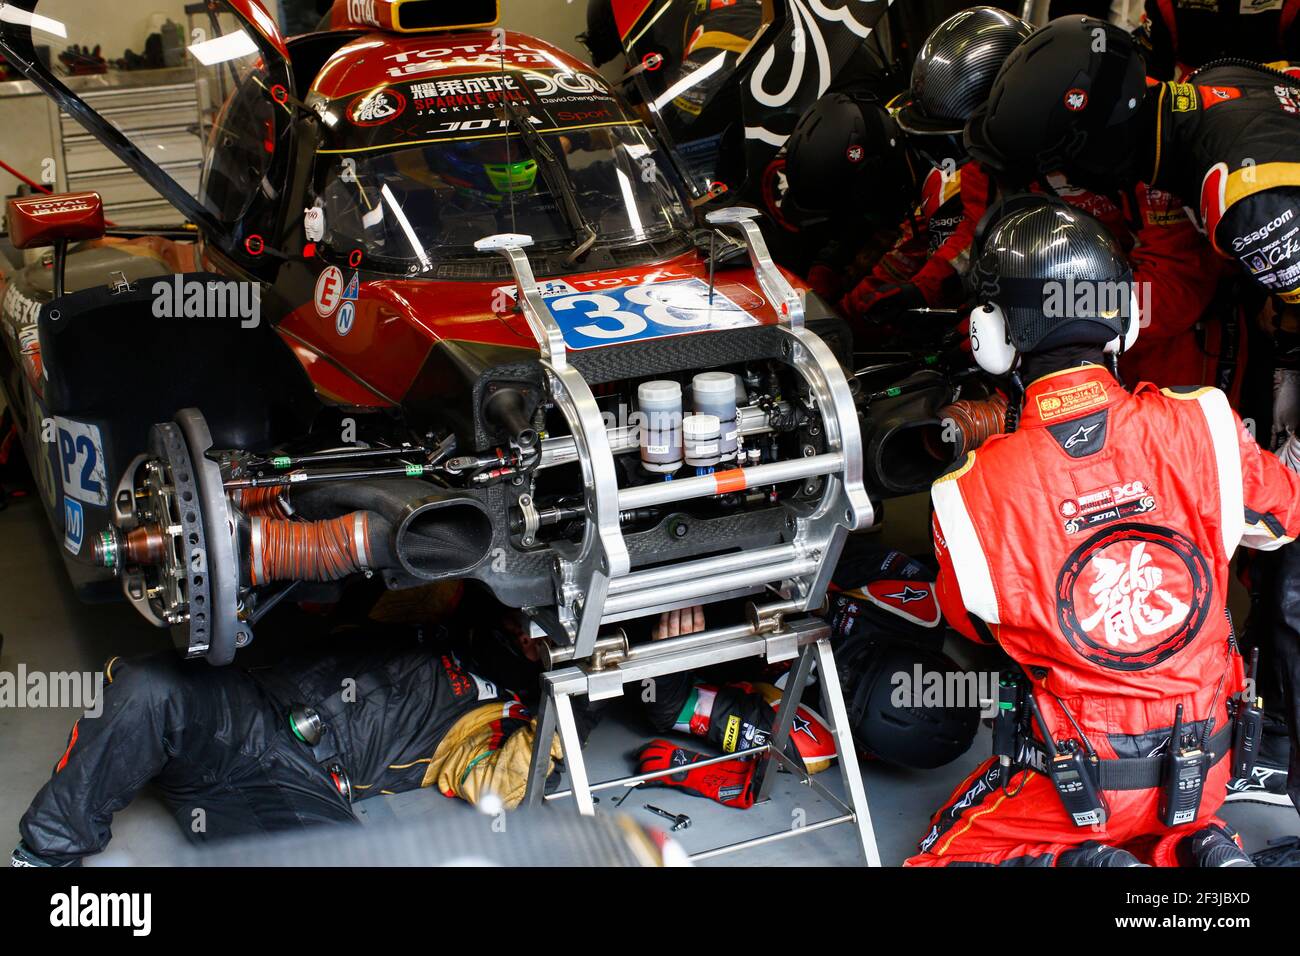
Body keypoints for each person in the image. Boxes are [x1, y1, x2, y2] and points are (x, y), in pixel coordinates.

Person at [908, 198, 1300, 867]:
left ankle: (1085, 862)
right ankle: (1199, 844)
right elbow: (1284, 516)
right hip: (1208, 763)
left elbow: (974, 628)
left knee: (938, 858)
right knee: (1175, 807)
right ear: (1124, 321)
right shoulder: (1204, 422)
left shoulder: (964, 492)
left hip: (1078, 781)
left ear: (991, 335)